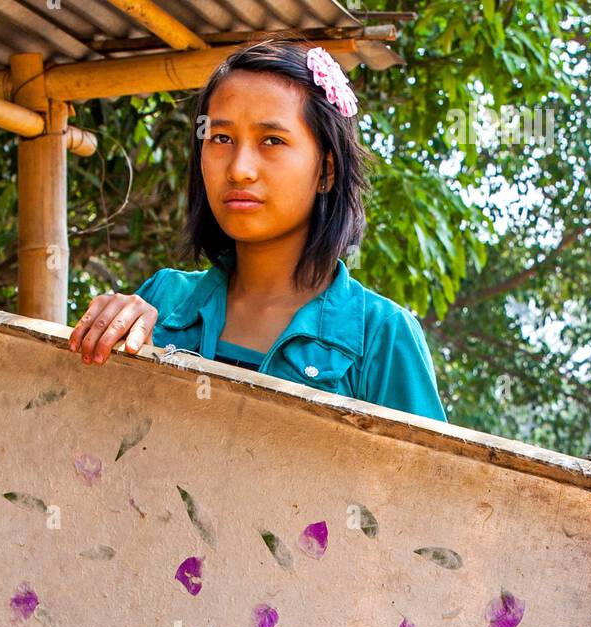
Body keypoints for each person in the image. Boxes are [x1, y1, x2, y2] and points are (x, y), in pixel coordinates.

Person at [69, 38, 447, 423]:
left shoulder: (382, 337)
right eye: (221, 138)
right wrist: (104, 336)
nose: (239, 168)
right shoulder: (162, 301)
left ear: (326, 170)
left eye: (272, 140)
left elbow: (432, 480)